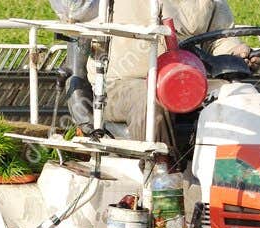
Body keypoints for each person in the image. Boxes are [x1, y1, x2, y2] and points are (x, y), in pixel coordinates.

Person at [104, 0, 249, 135]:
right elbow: (83, 17)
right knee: (151, 102)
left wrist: (235, 54)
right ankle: (161, 162)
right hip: (122, 83)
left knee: (242, 96)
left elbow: (220, 40)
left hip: (189, 80)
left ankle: (231, 159)